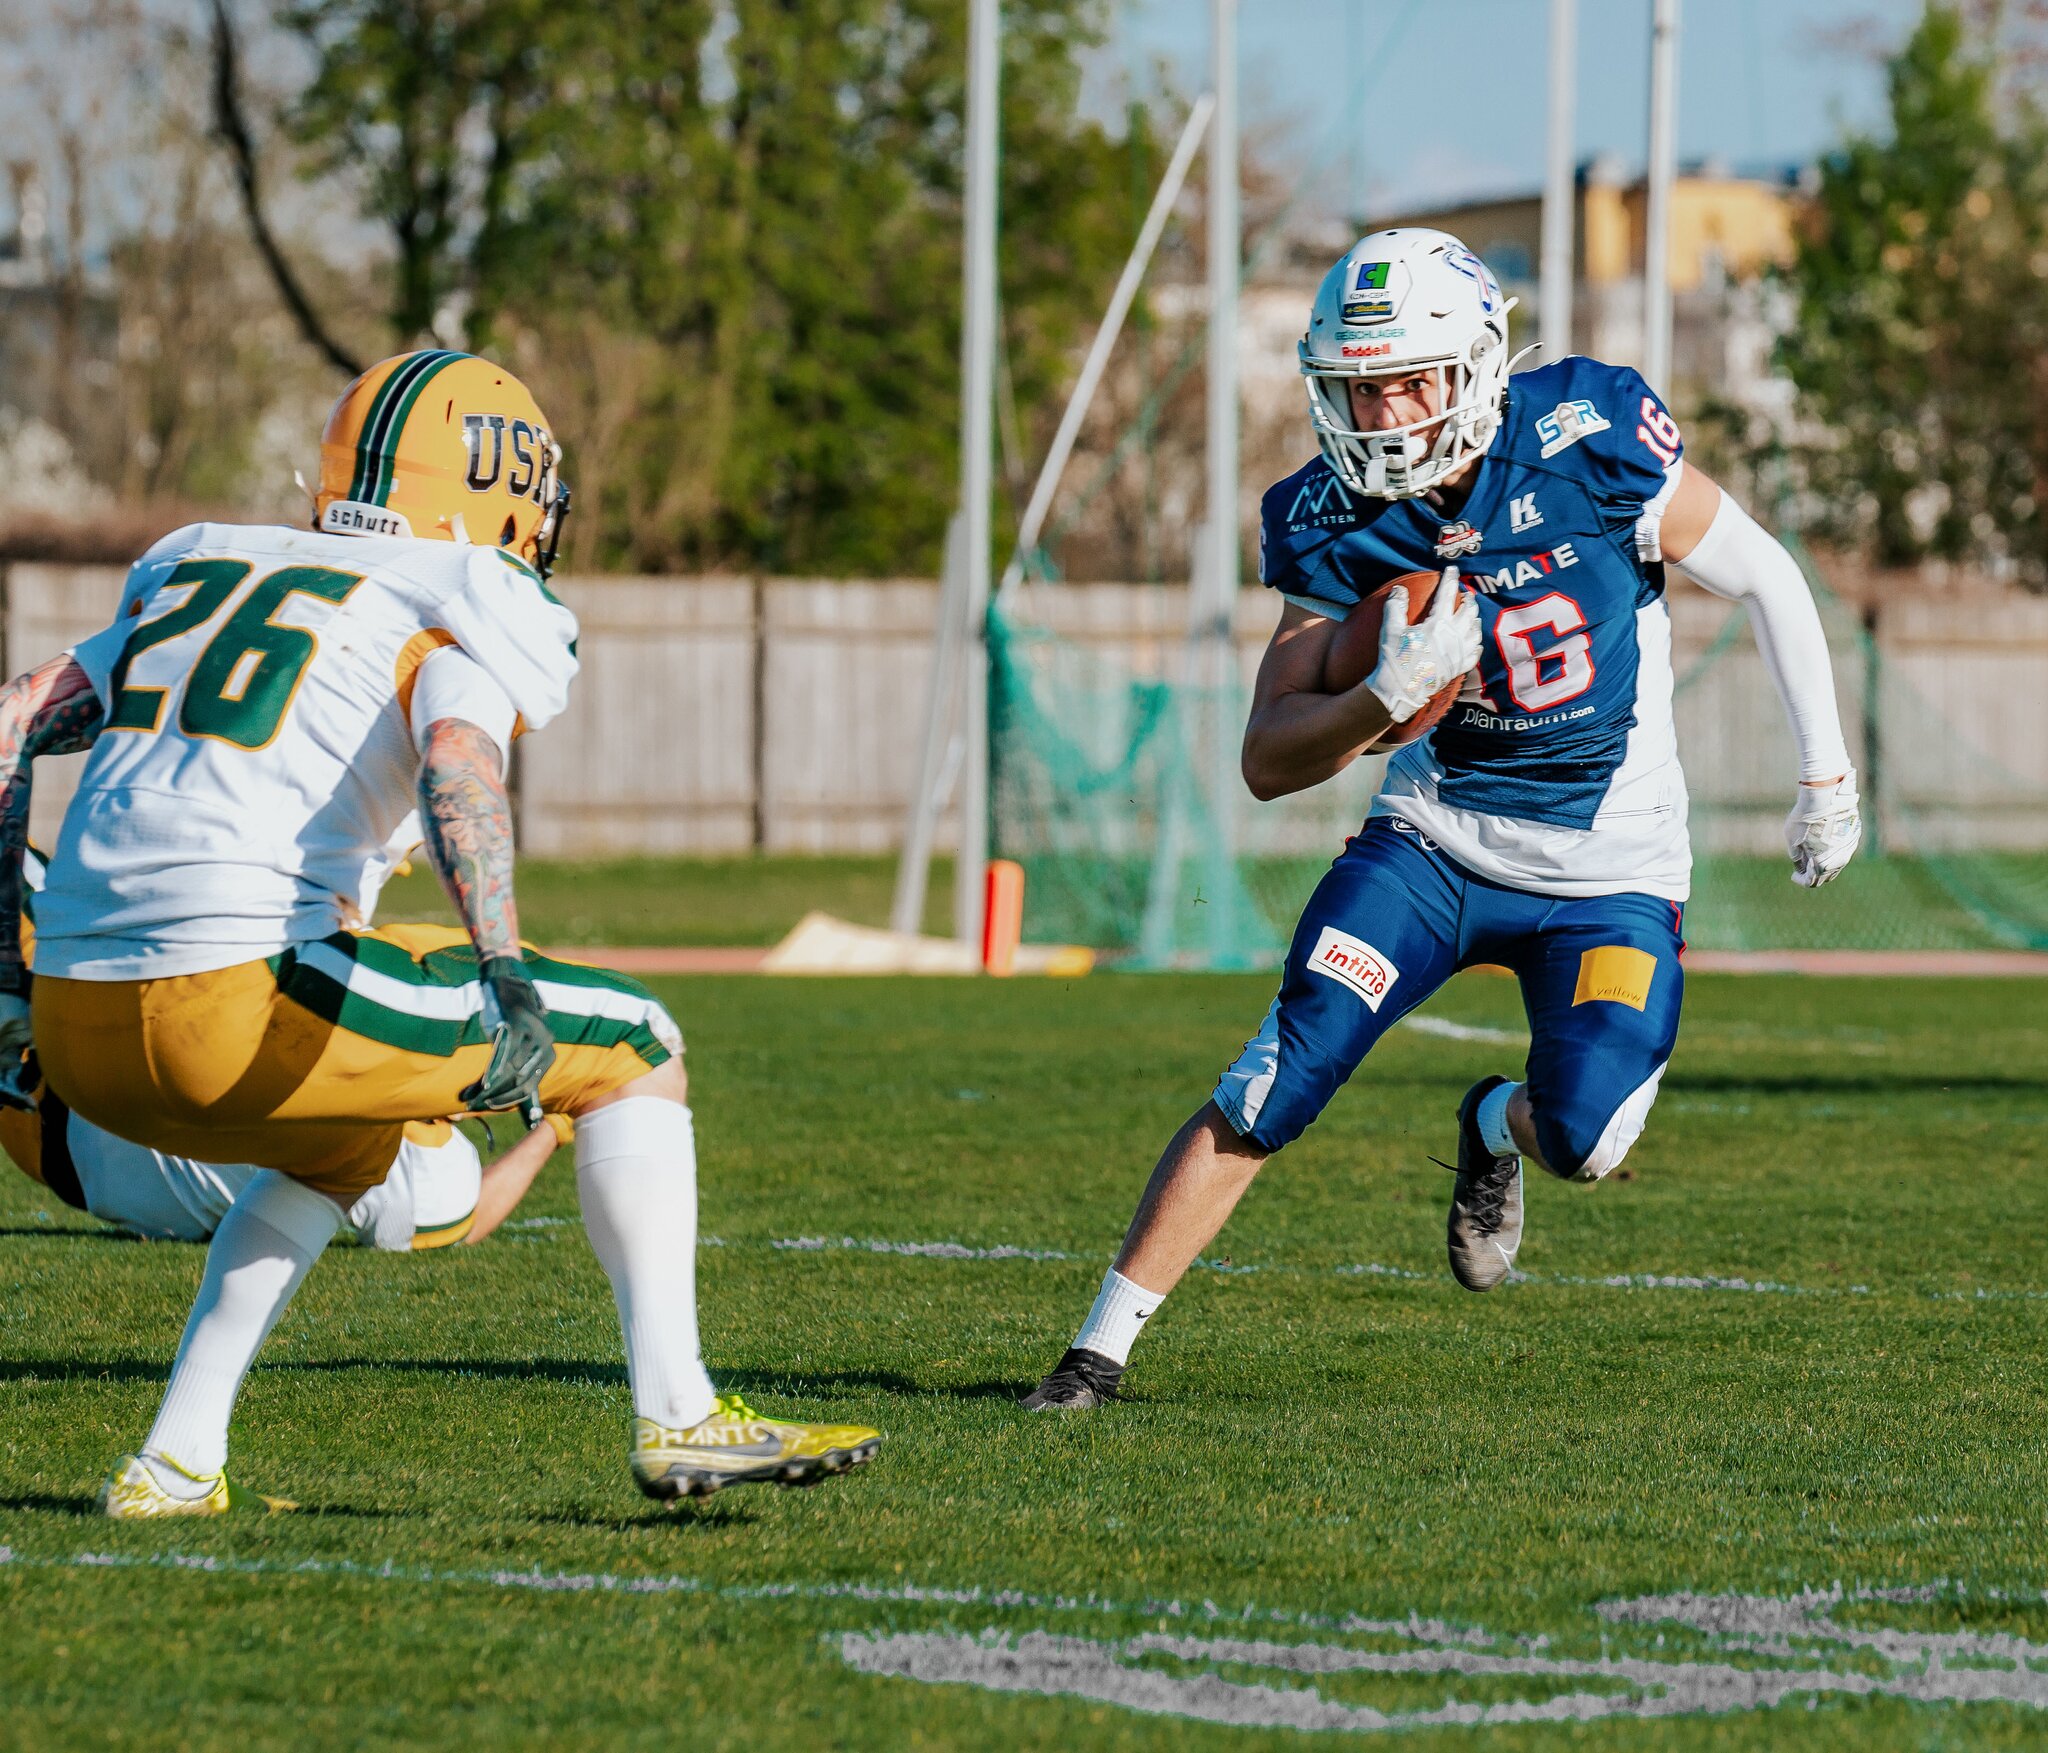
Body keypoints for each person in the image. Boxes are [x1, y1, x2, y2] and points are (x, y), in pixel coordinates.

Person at [0, 349, 881, 1511]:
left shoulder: (201, 569)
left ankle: (175, 1462)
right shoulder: (452, 596)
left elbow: (14, 715)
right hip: (239, 991)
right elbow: (458, 767)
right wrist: (505, 970)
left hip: (74, 1029)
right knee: (633, 1041)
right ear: (496, 485)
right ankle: (681, 1413)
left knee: (343, 1143)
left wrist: (11, 958)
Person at [1024, 229, 1861, 1411]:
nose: (1382, 412)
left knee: (1587, 1137)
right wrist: (1377, 691)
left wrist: (1825, 775)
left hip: (1604, 867)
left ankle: (1492, 1123)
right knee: (1280, 1070)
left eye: (1408, 378)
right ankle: (1092, 1354)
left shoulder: (1591, 433)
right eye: (1358, 385)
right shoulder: (1328, 515)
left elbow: (1767, 573)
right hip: (1430, 847)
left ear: (1476, 363)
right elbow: (1268, 757)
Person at [3, 1095, 564, 1250]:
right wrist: (554, 1130)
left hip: (73, 1106)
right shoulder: (430, 1164)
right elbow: (464, 1220)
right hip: (78, 1151)